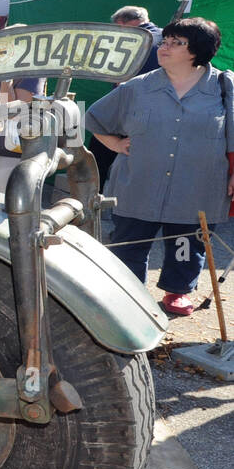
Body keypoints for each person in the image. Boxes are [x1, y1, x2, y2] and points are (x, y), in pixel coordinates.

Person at [87, 17, 234, 316]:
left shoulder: (223, 88)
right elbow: (94, 117)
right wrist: (115, 144)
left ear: (197, 51)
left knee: (186, 244)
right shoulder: (137, 87)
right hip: (139, 182)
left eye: (175, 42)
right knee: (129, 243)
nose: (163, 47)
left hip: (197, 187)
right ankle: (128, 292)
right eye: (164, 41)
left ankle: (176, 292)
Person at [88, 5, 163, 185]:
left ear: (121, 24)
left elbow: (118, 81)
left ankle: (91, 203)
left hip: (129, 115)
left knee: (98, 159)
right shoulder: (167, 38)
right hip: (160, 117)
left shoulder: (131, 41)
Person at [0, 77, 43, 195]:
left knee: (5, 201)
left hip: (11, 150)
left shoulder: (33, 74)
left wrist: (6, 83)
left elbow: (14, 112)